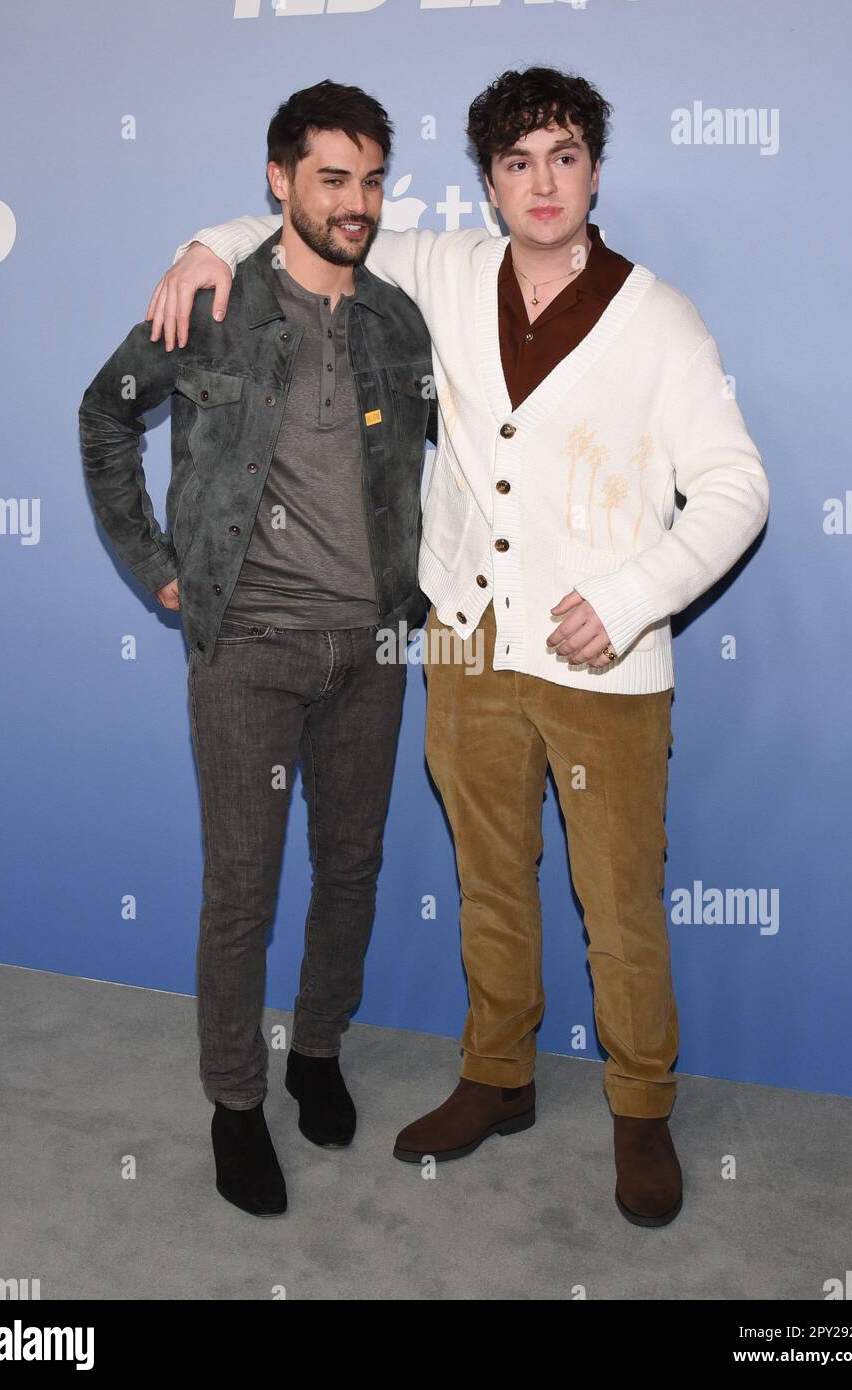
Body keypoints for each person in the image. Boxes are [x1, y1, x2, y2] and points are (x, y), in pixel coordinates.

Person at [145, 66, 770, 1227]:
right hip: (468, 649)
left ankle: (642, 1111)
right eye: (518, 161)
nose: (543, 182)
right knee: (493, 886)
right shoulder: (442, 269)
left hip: (603, 667)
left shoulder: (661, 315)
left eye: (565, 156)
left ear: (595, 170)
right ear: (487, 181)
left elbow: (736, 485)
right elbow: (312, 223)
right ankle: (499, 1077)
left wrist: (637, 592)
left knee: (619, 903)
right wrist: (202, 245)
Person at [78, 80, 436, 1218]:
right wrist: (160, 567)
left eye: (372, 179)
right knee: (241, 887)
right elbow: (104, 416)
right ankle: (237, 1104)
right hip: (246, 648)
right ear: (279, 179)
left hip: (370, 646)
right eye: (333, 178)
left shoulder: (396, 320)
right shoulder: (215, 303)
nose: (357, 203)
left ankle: (317, 1054)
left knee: (353, 867)